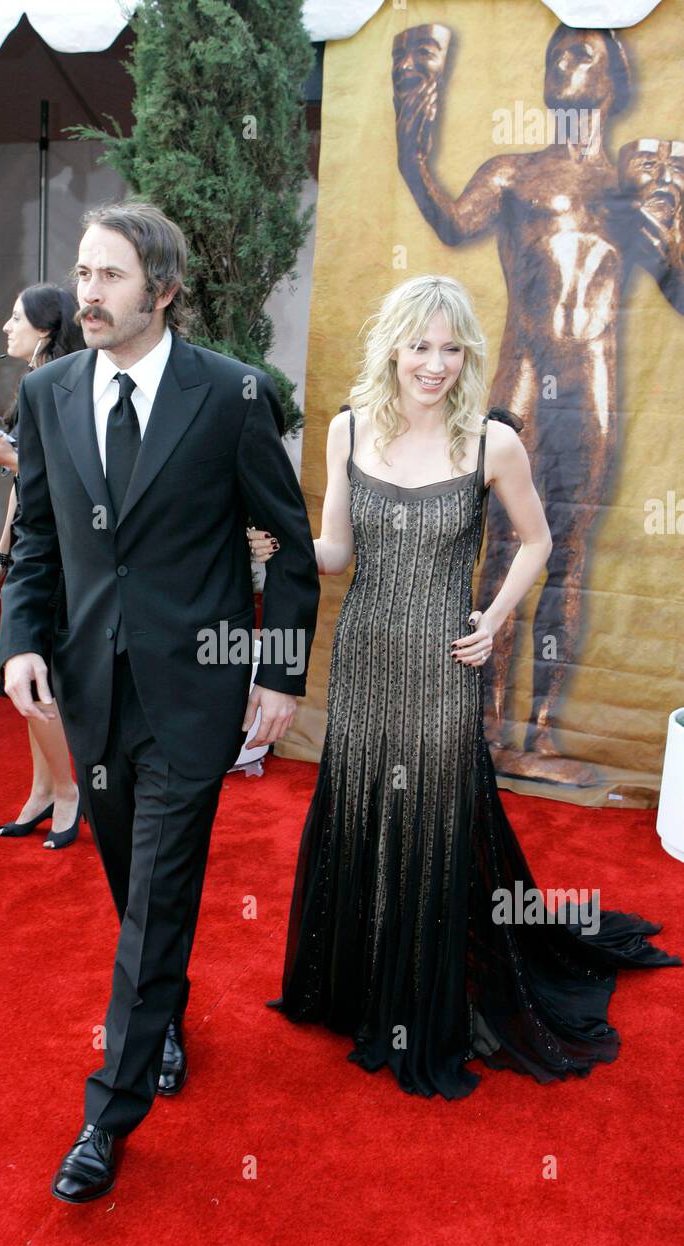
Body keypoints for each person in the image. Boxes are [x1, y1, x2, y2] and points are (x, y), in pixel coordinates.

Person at [256, 274, 680, 1101]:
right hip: (368, 661)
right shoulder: (350, 429)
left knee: (435, 821)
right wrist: (270, 545)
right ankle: (362, 991)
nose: (436, 364)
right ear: (393, 346)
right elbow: (337, 551)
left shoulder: (492, 443)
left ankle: (425, 1002)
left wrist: (493, 619)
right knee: (365, 808)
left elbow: (539, 541)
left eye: (452, 349)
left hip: (448, 665)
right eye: (421, 345)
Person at [0, 200, 320, 1200]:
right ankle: (165, 1012)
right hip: (92, 690)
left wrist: (275, 670)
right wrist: (18, 643)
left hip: (193, 690)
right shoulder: (48, 392)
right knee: (128, 882)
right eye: (82, 275)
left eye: (109, 277)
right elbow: (41, 542)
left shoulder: (230, 395)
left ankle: (108, 1113)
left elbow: (292, 551)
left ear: (164, 291)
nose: (87, 294)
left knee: (156, 897)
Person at [0, 284, 86, 849]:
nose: (5, 325)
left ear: (44, 329)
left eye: (16, 317)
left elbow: (64, 478)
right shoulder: (33, 387)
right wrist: (2, 556)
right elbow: (26, 494)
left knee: (44, 679)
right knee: (21, 677)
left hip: (65, 559)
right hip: (34, 554)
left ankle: (69, 793)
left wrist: (10, 456)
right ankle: (44, 789)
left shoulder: (70, 385)